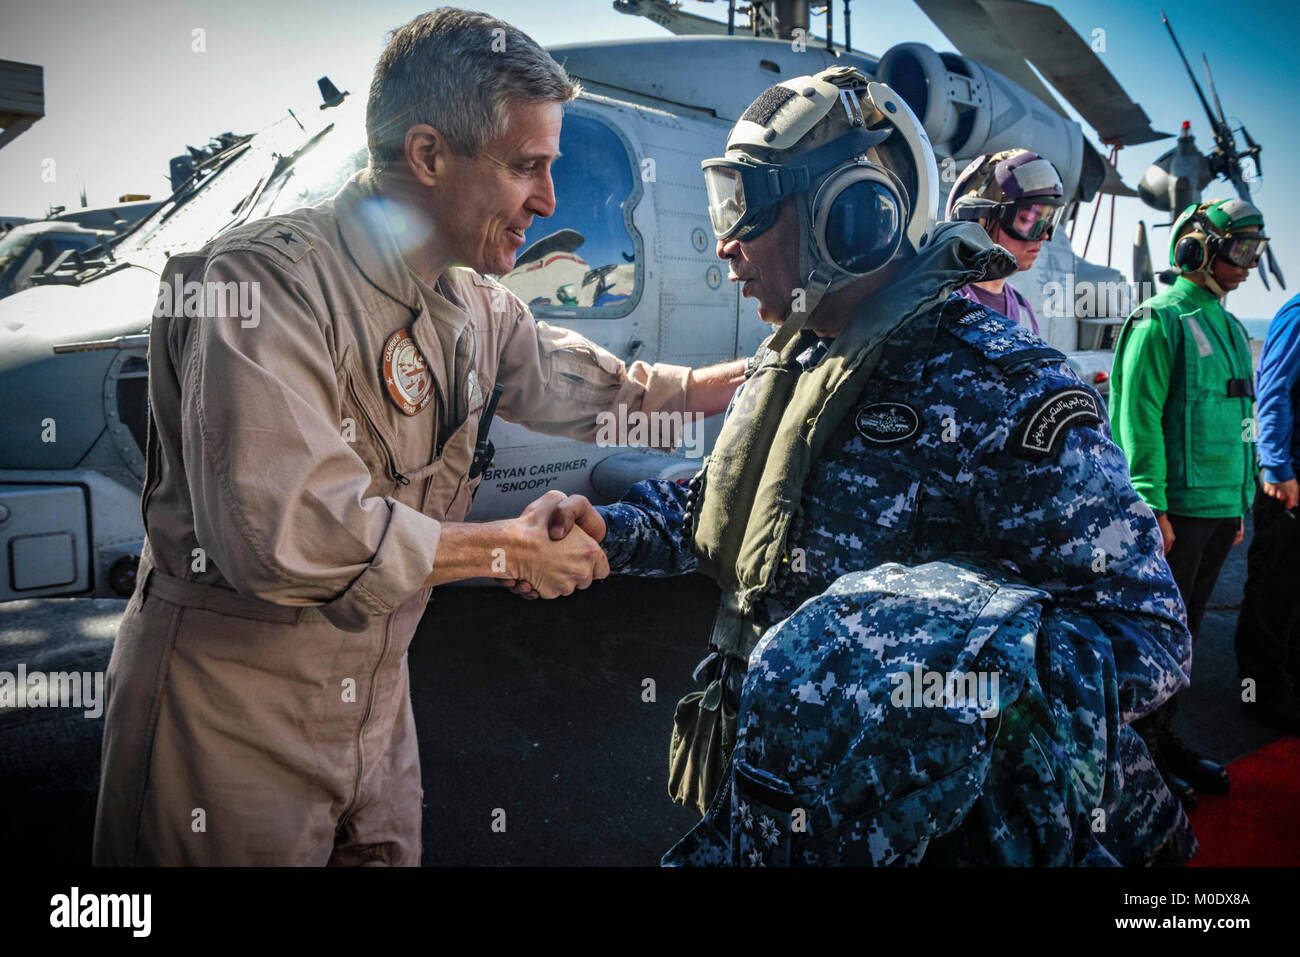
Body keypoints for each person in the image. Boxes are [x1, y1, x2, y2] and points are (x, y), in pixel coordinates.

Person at [93, 7, 743, 866]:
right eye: (526, 168)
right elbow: (287, 534)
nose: (547, 200)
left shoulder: (471, 303)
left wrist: (732, 383)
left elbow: (587, 389)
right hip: (227, 712)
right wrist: (505, 552)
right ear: (429, 155)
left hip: (375, 700)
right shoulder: (262, 284)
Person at [528, 66, 1195, 865]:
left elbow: (1148, 638)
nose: (728, 244)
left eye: (746, 206)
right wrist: (608, 529)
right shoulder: (794, 361)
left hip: (921, 827)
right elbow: (723, 509)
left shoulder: (1002, 389)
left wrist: (904, 667)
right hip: (778, 783)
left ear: (853, 217)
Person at [1109, 197, 1270, 807]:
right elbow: (1136, 417)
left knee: (1186, 636)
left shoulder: (1231, 327)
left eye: (1258, 251)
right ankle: (1132, 757)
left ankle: (1162, 742)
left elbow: (1244, 419)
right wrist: (1151, 505)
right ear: (1196, 247)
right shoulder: (1160, 318)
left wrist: (1238, 503)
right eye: (1241, 250)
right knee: (1151, 641)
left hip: (1218, 511)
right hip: (1174, 514)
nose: (1250, 265)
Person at [1235, 292, 1300, 732]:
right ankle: (1260, 693)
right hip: (1291, 483)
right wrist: (1276, 466)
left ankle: (1288, 682)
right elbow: (1274, 390)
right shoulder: (1298, 314)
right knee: (1275, 590)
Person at [944, 149, 1066, 336]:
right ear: (979, 221)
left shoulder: (1022, 308)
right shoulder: (941, 301)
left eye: (1047, 221)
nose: (1044, 236)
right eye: (1028, 220)